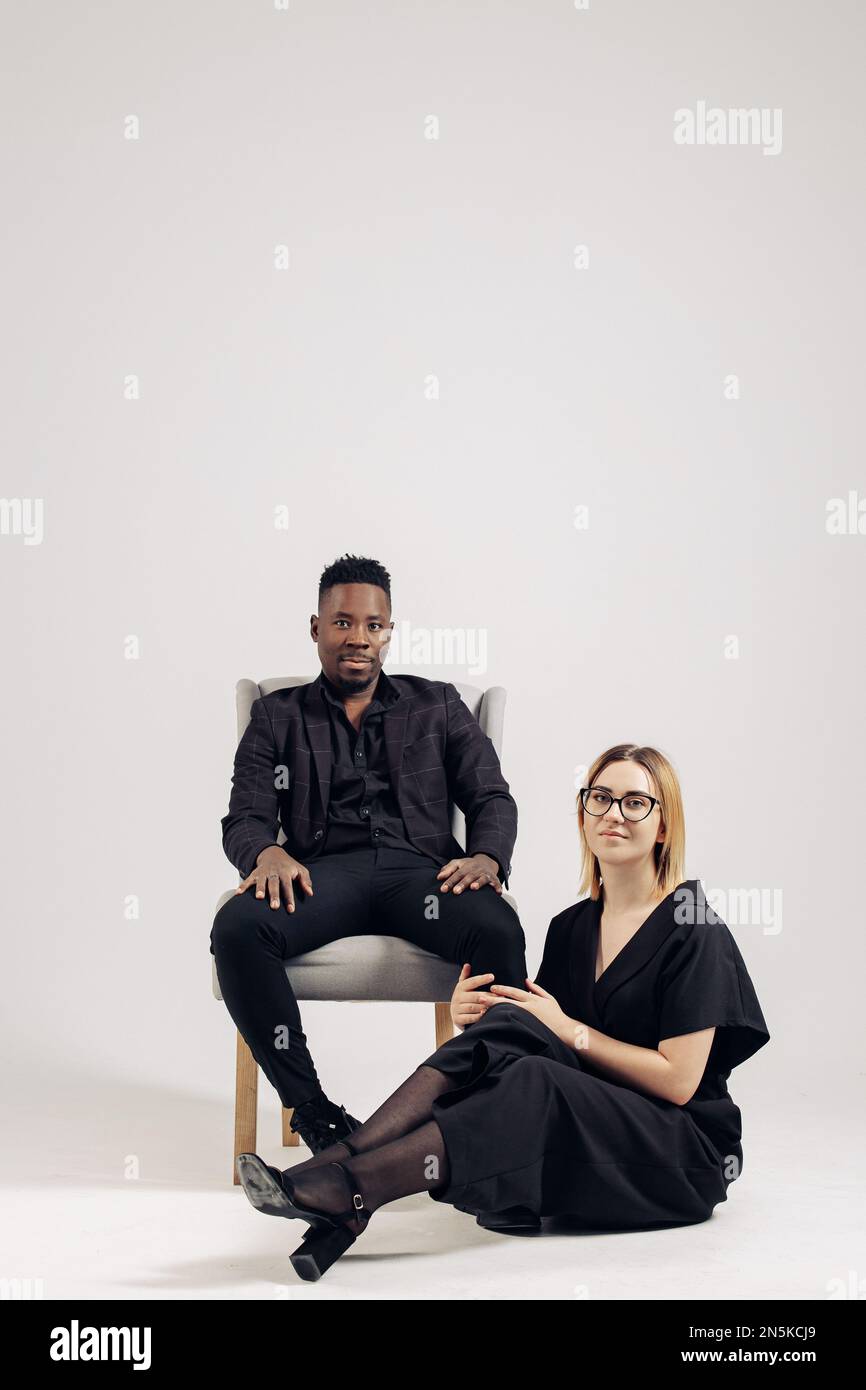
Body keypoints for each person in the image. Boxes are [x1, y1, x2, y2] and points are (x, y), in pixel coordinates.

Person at [235, 742, 771, 1281]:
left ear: (663, 827)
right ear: (583, 813)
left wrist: (570, 1031)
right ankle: (341, 1176)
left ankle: (345, 1180)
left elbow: (677, 1081)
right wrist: (474, 1016)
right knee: (513, 1025)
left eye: (636, 802)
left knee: (534, 1069)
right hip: (591, 1127)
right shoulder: (571, 927)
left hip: (678, 1152)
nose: (612, 813)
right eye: (600, 798)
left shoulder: (693, 925)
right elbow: (537, 1039)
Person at [210, 553, 525, 1153]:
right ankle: (316, 1115)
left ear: (390, 631)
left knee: (498, 927)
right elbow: (245, 814)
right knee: (237, 925)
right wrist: (263, 856)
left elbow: (491, 795)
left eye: (374, 625)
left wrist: (487, 856)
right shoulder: (276, 716)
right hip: (322, 879)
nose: (359, 639)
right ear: (316, 627)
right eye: (343, 623)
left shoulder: (437, 704)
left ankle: (489, 1119)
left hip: (424, 877)